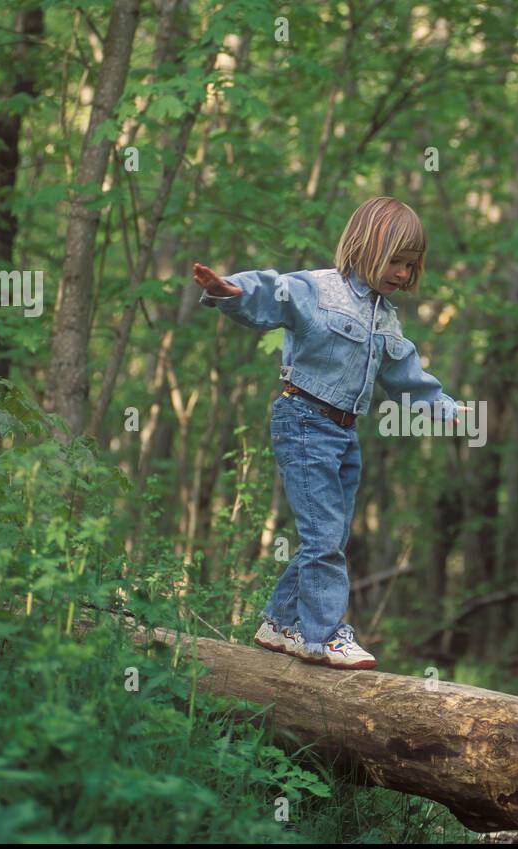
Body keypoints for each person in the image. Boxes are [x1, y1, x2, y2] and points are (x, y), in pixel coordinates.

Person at [191, 196, 466, 670]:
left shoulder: (386, 319)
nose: (402, 273)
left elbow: (407, 377)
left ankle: (279, 622)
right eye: (394, 261)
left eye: (410, 265)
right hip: (303, 421)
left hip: (344, 434)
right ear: (365, 247)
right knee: (324, 539)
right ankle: (323, 635)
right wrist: (229, 290)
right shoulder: (321, 289)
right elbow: (272, 291)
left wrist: (446, 409)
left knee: (330, 533)